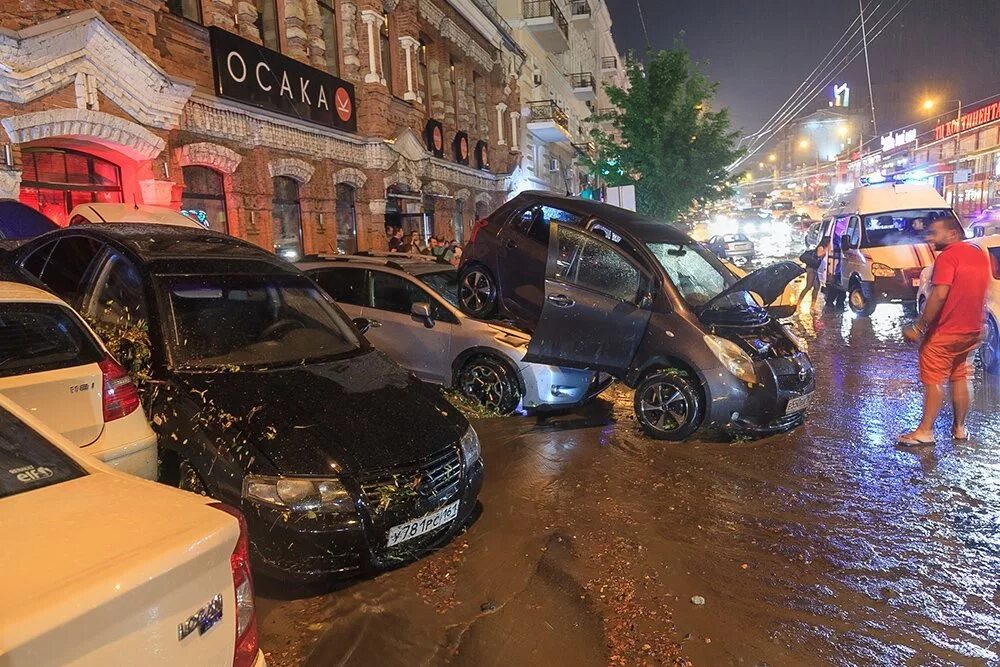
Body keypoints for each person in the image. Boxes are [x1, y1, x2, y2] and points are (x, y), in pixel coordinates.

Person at [899, 216, 989, 446]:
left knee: (933, 378)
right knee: (960, 374)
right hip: (973, 329)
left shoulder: (948, 257)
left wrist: (919, 328)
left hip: (947, 330)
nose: (930, 237)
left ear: (952, 234)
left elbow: (939, 294)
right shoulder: (978, 252)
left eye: (934, 233)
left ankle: (925, 431)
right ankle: (960, 428)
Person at [798, 236, 829, 312]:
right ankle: (798, 303)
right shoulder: (821, 248)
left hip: (815, 269)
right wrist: (827, 250)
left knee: (816, 287)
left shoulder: (823, 247)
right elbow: (819, 255)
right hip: (811, 269)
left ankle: (813, 305)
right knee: (808, 286)